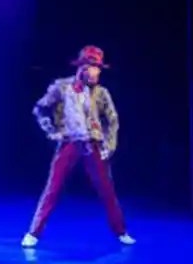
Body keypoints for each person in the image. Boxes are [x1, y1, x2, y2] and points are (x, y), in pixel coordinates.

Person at [21, 45, 134, 248]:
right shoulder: (62, 87)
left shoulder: (101, 93)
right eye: (94, 68)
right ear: (83, 68)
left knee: (107, 190)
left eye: (99, 68)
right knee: (52, 189)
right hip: (69, 142)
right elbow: (40, 108)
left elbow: (112, 119)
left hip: (93, 143)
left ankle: (121, 231)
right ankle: (34, 233)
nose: (97, 72)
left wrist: (109, 144)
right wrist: (51, 131)